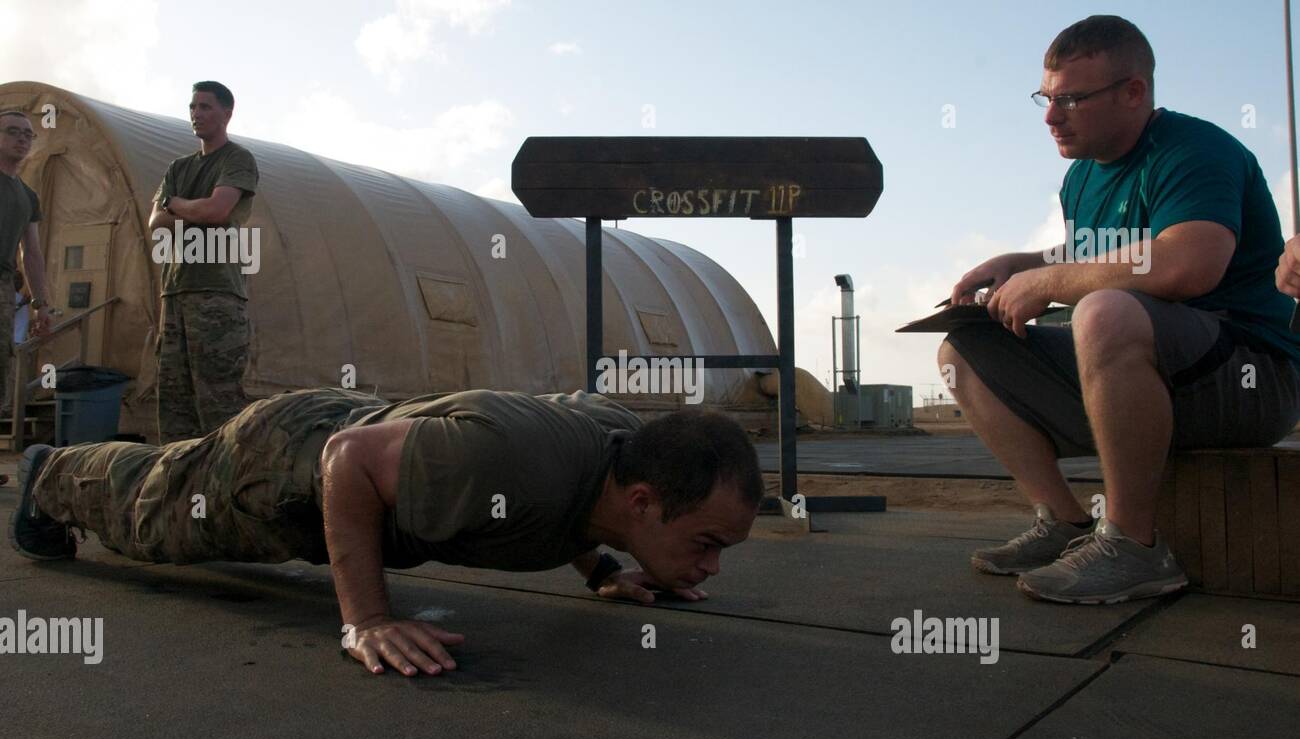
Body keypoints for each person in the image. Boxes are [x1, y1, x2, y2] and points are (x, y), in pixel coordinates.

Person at [9, 387, 762, 676]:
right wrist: (366, 619)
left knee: (168, 476)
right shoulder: (517, 461)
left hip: (357, 436)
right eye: (706, 544)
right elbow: (349, 461)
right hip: (292, 465)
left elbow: (560, 505)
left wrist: (602, 570)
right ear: (642, 501)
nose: (712, 569)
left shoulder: (617, 459)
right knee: (152, 515)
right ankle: (46, 473)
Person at [939, 15, 1298, 604]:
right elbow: (1105, 255)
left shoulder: (1197, 150)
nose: (1051, 117)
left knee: (1105, 311)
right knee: (966, 349)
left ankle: (1135, 545)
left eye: (1072, 100)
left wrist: (1050, 279)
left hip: (1250, 377)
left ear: (1134, 92)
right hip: (1159, 374)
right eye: (1046, 99)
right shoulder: (1080, 178)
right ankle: (1063, 522)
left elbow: (1187, 264)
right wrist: (1024, 261)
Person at [148, 81, 259, 444]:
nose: (196, 114)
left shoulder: (237, 159)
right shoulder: (177, 168)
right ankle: (179, 484)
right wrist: (189, 210)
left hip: (217, 293)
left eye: (206, 107)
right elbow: (155, 223)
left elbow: (217, 210)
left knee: (218, 400)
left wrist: (176, 204)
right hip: (175, 292)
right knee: (174, 401)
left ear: (227, 113)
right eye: (193, 107)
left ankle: (223, 485)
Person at [0, 110, 54, 417]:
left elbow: (31, 252)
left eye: (27, 134)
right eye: (12, 131)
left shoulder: (27, 196)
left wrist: (41, 304)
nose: (21, 138)